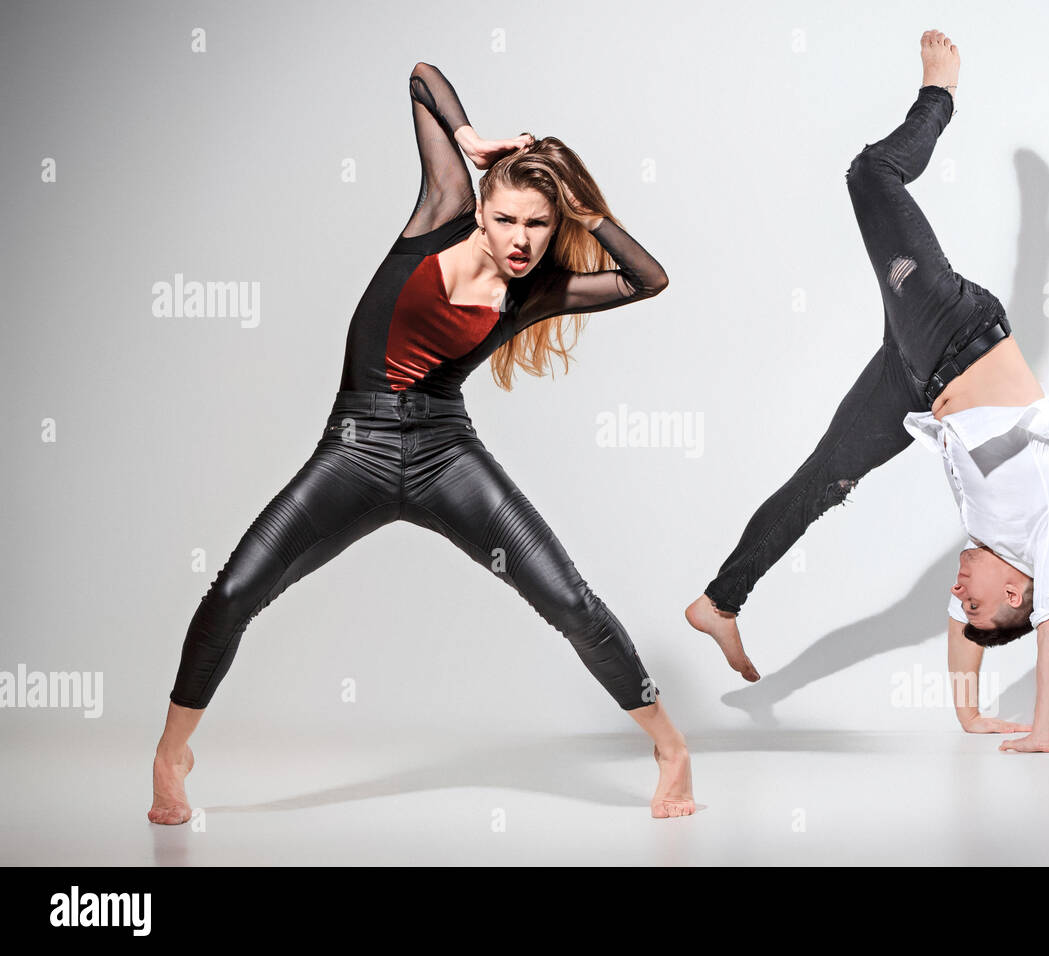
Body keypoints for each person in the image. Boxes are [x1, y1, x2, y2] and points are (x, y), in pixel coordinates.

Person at [150, 61, 695, 823]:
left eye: (539, 225)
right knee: (236, 591)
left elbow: (649, 279)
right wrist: (472, 139)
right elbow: (421, 76)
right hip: (355, 449)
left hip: (446, 456)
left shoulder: (534, 290)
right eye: (508, 219)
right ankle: (172, 753)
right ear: (481, 210)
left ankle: (671, 751)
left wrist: (588, 212)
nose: (521, 239)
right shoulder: (439, 212)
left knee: (569, 601)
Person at [685, 31, 1049, 754]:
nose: (960, 597)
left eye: (960, 602)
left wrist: (969, 715)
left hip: (914, 377)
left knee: (821, 478)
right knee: (872, 174)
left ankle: (720, 601)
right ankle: (942, 94)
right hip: (958, 329)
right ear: (1017, 593)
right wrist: (1044, 734)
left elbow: (967, 629)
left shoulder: (987, 554)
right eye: (977, 604)